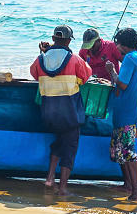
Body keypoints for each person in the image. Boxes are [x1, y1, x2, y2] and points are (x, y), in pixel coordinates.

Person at [30, 24, 92, 196]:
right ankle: (63, 187)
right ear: (68, 41)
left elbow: (34, 74)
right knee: (70, 147)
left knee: (58, 141)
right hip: (70, 113)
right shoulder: (75, 60)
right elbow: (87, 75)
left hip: (48, 113)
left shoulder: (40, 59)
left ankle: (50, 178)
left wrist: (45, 53)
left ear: (53, 39)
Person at [110, 27, 137, 202]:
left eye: (118, 43)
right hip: (128, 109)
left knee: (127, 150)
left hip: (126, 110)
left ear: (124, 44)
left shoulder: (130, 58)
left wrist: (111, 71)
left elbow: (122, 84)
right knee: (121, 149)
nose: (116, 47)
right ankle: (128, 185)